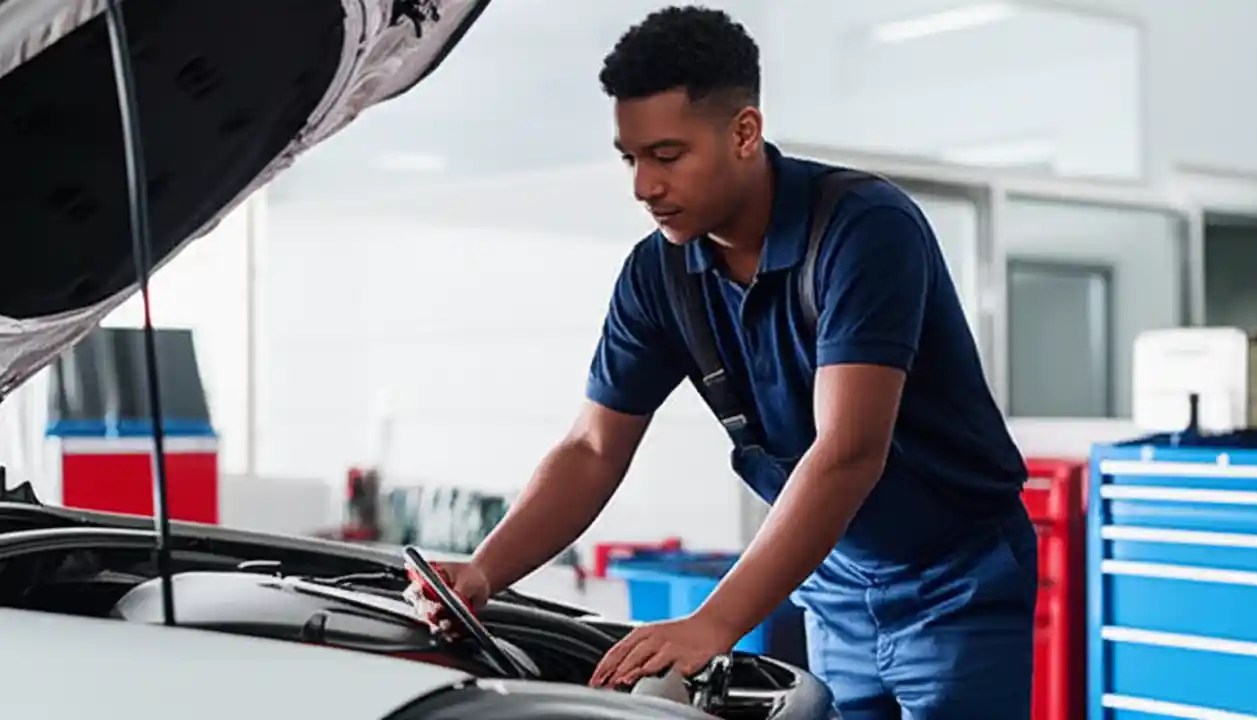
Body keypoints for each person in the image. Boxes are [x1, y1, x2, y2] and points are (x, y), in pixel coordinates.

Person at [406, 6, 1036, 718]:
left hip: (952, 580)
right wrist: (485, 572)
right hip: (834, 581)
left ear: (744, 133)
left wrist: (714, 622)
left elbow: (850, 452)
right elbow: (592, 447)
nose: (643, 186)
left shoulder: (864, 232)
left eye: (667, 156)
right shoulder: (658, 275)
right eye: (631, 157)